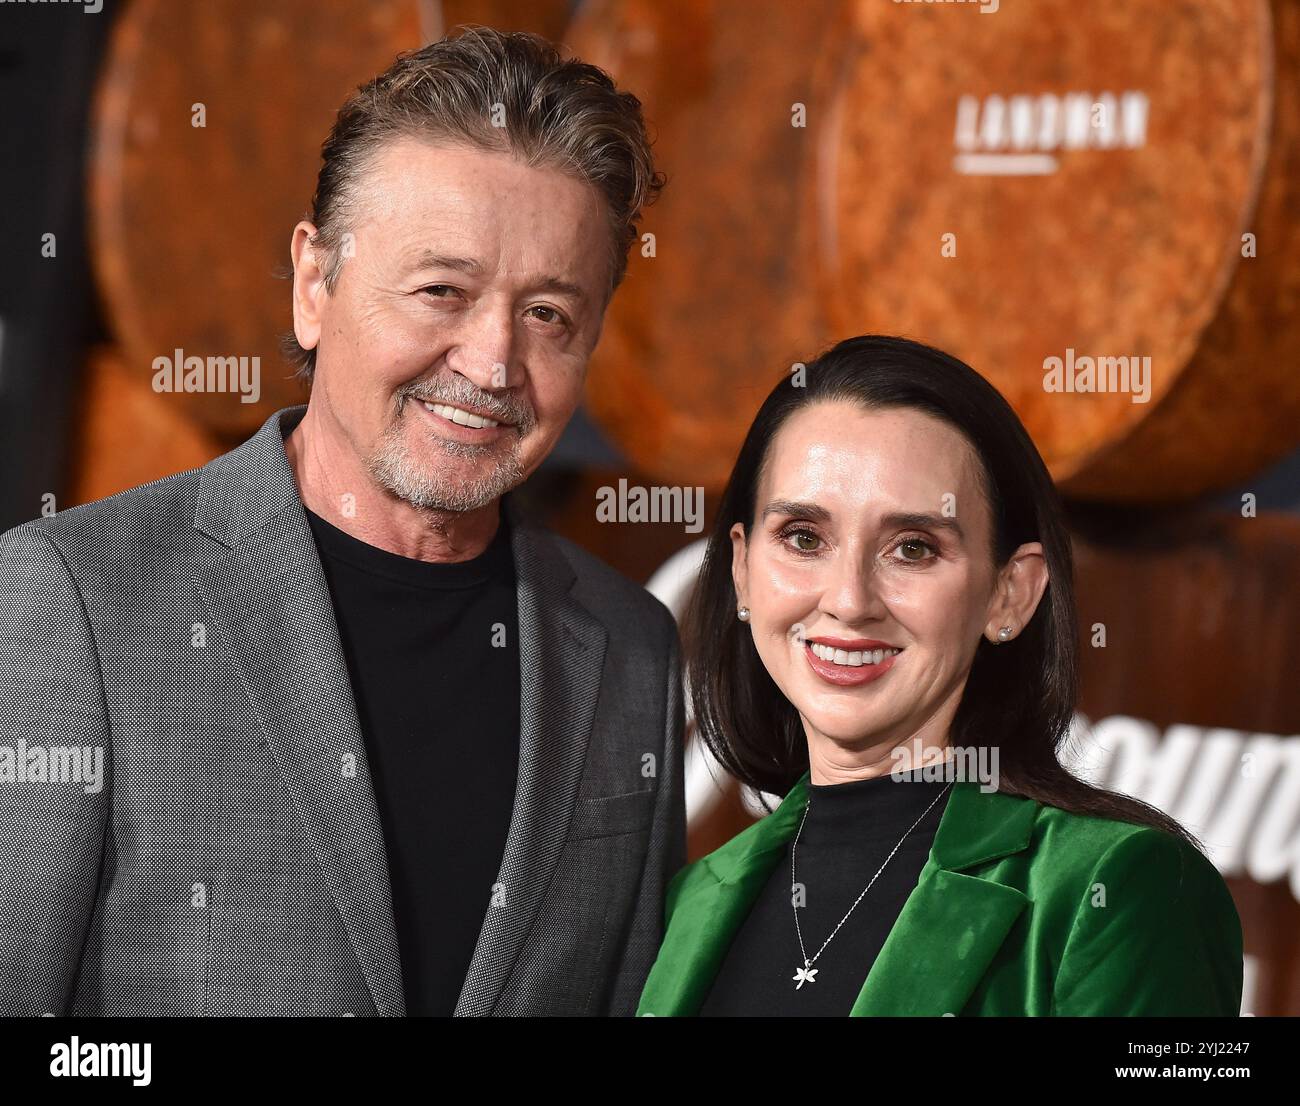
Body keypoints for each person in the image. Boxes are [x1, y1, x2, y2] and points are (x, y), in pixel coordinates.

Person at [0, 28, 684, 1017]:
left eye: (548, 315)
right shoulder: (74, 602)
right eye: (442, 290)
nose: (492, 363)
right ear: (314, 284)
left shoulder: (632, 649)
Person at [638, 335, 1242, 1017]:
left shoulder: (1116, 889)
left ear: (1010, 593)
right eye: (804, 537)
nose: (849, 600)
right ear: (743, 570)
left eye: (913, 548)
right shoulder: (689, 902)